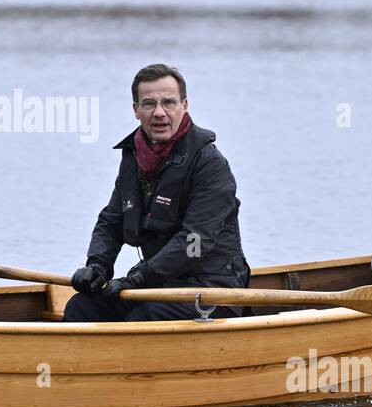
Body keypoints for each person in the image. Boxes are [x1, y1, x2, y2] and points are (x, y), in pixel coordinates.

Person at [64, 63, 250, 321]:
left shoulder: (209, 163)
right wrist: (98, 266)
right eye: (149, 104)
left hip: (212, 291)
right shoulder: (133, 157)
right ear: (136, 110)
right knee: (81, 306)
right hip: (157, 286)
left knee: (143, 317)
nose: (160, 112)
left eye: (169, 103)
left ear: (184, 107)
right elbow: (111, 221)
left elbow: (195, 241)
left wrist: (138, 278)